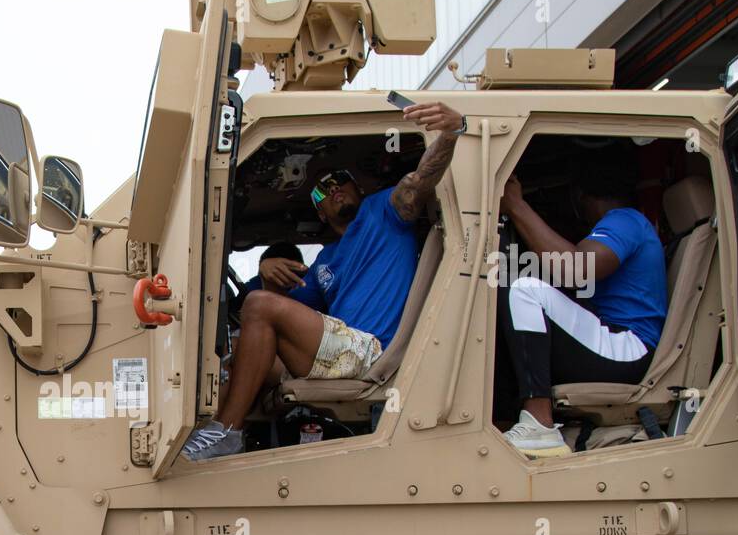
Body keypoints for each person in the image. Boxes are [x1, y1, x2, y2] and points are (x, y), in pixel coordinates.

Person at [183, 101, 467, 461]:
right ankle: (199, 439)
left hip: (370, 350)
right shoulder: (323, 263)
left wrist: (451, 133)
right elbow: (278, 314)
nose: (332, 190)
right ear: (319, 210)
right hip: (338, 347)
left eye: (339, 181)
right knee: (236, 345)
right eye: (321, 191)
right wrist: (267, 271)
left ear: (356, 188)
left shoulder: (384, 211)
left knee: (260, 307)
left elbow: (420, 181)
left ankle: (229, 433)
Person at [497, 148, 667, 458]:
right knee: (516, 283)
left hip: (626, 347)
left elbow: (577, 270)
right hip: (614, 341)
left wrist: (517, 206)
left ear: (579, 195)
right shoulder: (623, 225)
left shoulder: (625, 221)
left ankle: (539, 422)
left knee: (524, 290)